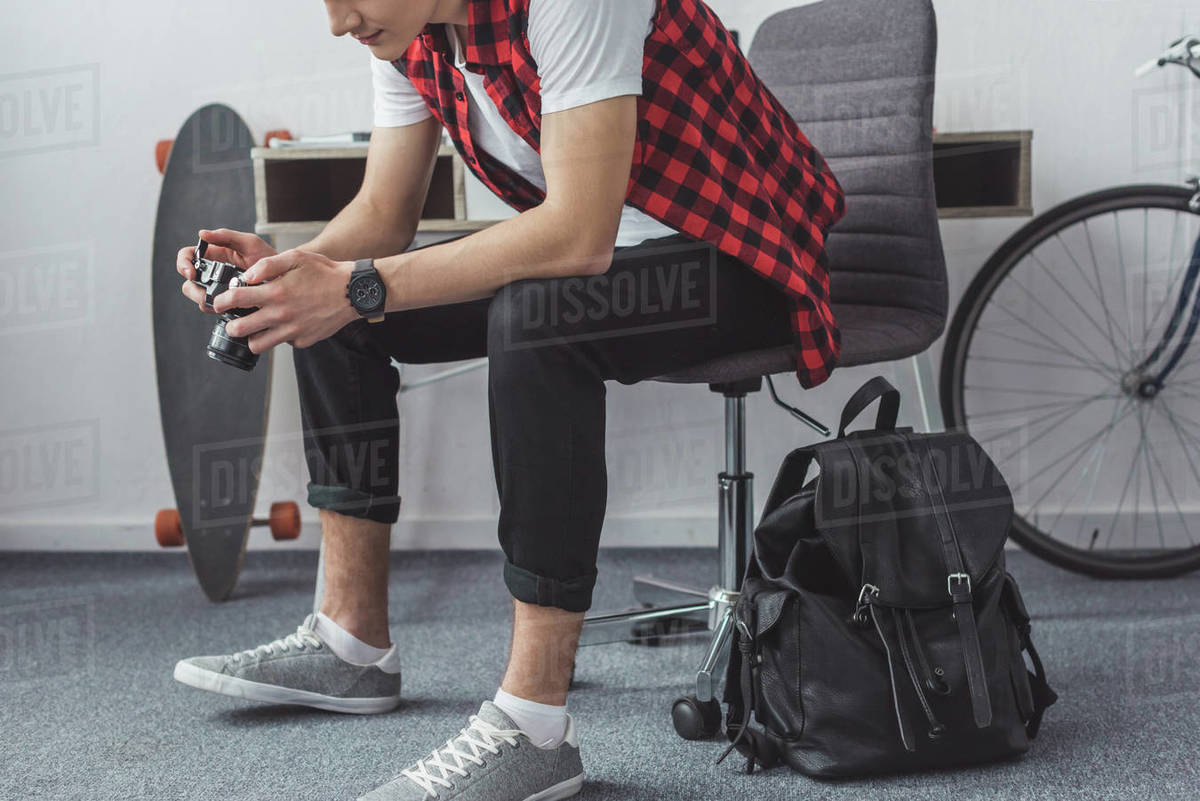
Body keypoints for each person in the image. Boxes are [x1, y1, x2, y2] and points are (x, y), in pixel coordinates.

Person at [171, 0, 845, 798]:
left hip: (740, 253)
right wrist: (294, 275)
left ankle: (534, 725)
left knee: (530, 318)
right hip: (606, 253)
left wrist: (349, 285)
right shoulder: (406, 30)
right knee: (337, 315)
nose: (337, 20)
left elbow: (576, 235)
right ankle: (351, 644)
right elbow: (384, 215)